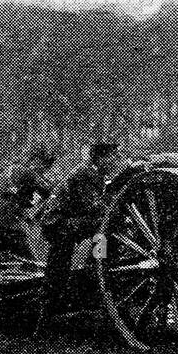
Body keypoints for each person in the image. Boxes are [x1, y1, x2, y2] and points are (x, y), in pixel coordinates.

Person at [34, 142, 126, 333]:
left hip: (69, 221)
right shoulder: (87, 173)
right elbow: (94, 208)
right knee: (58, 269)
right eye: (113, 157)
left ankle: (97, 263)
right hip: (58, 223)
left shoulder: (95, 174)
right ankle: (44, 320)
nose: (116, 161)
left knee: (102, 231)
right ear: (100, 158)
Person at [0, 147, 55, 261]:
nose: (45, 170)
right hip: (10, 223)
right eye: (44, 165)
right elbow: (47, 191)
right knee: (29, 262)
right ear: (36, 160)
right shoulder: (27, 172)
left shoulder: (12, 169)